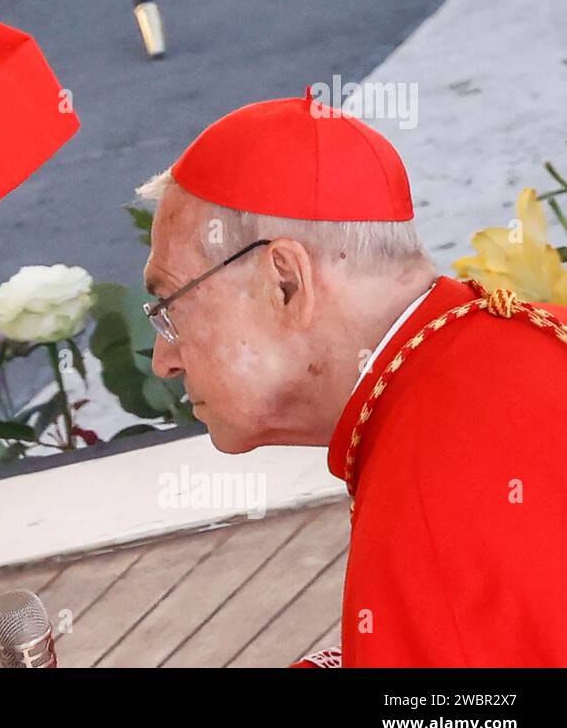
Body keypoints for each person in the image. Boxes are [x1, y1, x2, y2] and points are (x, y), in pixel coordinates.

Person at [136, 91, 567, 667]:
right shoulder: (526, 333)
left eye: (171, 305)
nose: (164, 358)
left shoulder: (422, 513)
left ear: (284, 282)